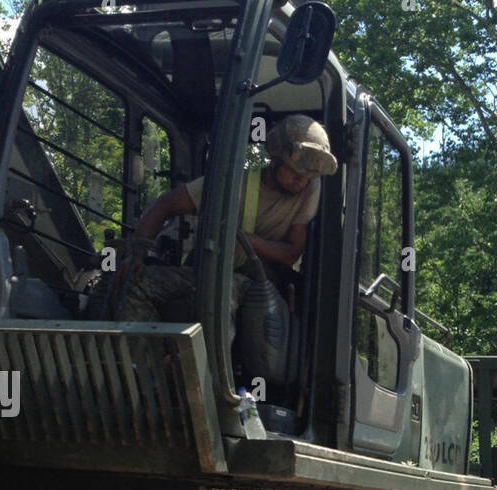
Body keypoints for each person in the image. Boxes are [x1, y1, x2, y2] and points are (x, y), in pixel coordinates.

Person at [99, 114, 337, 385]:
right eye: (295, 173)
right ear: (275, 158)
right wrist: (137, 255)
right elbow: (164, 205)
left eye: (308, 177)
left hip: (257, 283)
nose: (301, 182)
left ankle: (213, 390)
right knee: (134, 282)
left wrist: (248, 241)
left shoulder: (309, 189)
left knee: (220, 294)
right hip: (207, 271)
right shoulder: (234, 184)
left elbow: (291, 252)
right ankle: (149, 382)